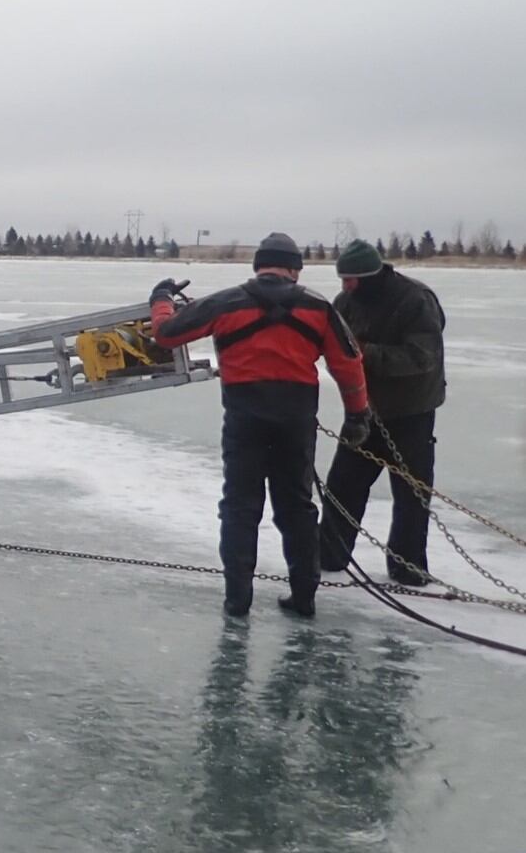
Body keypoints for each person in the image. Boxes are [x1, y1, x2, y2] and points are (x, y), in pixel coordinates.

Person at [149, 232, 370, 619]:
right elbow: (348, 365)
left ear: (258, 268)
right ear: (294, 270)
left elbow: (167, 335)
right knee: (297, 508)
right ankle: (304, 597)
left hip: (244, 419)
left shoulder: (226, 303)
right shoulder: (318, 308)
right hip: (295, 421)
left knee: (239, 507)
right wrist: (357, 414)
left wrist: (161, 299)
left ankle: (237, 599)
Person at [317, 240, 447, 585]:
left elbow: (423, 357)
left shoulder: (415, 300)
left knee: (411, 495)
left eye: (351, 280)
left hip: (411, 414)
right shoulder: (345, 303)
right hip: (363, 412)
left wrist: (364, 353)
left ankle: (408, 569)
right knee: (343, 485)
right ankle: (328, 556)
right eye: (342, 279)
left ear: (371, 276)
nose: (345, 286)